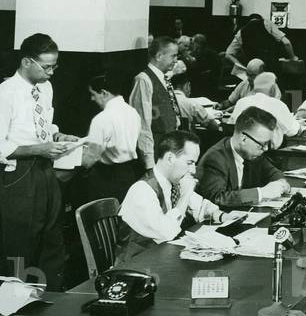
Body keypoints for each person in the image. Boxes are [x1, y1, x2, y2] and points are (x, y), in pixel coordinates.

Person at [0, 34, 78, 288]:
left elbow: (45, 125)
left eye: (55, 66)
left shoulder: (45, 88)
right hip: (18, 176)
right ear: (26, 62)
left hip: (46, 171)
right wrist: (38, 149)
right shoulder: (6, 93)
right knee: (19, 243)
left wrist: (58, 135)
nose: (52, 72)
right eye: (46, 67)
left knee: (52, 238)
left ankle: (51, 303)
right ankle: (15, 307)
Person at [117, 130, 223, 262]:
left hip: (162, 260)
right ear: (170, 158)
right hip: (136, 267)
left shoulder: (174, 183)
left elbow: (200, 207)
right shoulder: (142, 191)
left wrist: (221, 215)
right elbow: (166, 232)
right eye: (189, 163)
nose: (193, 170)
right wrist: (185, 195)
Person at [196, 107, 292, 208]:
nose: (265, 149)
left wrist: (281, 183)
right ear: (244, 139)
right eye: (262, 144)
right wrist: (261, 193)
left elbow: (274, 173)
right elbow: (216, 198)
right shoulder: (215, 159)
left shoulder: (253, 154)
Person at [83, 73, 143, 203]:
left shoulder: (102, 119)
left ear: (104, 93)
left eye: (93, 94)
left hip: (106, 178)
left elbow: (90, 159)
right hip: (129, 174)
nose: (92, 99)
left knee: (104, 220)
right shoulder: (133, 112)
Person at [129, 36, 183, 173]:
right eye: (173, 56)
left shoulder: (164, 77)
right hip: (156, 153)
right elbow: (142, 124)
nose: (176, 60)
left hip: (169, 149)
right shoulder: (144, 80)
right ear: (159, 56)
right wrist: (149, 163)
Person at [232, 72, 301, 148]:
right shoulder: (277, 104)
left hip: (242, 148)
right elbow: (292, 131)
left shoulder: (241, 102)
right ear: (273, 88)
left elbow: (231, 124)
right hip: (266, 151)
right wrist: (299, 126)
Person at [225, 14, 298, 73]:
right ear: (261, 19)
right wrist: (293, 58)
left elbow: (228, 54)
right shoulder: (267, 23)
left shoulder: (241, 32)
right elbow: (286, 43)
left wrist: (242, 68)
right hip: (272, 68)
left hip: (253, 69)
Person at [187, 33, 222, 98]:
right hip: (197, 85)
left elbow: (213, 72)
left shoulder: (212, 55)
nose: (191, 45)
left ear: (197, 43)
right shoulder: (194, 53)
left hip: (208, 87)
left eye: (193, 43)